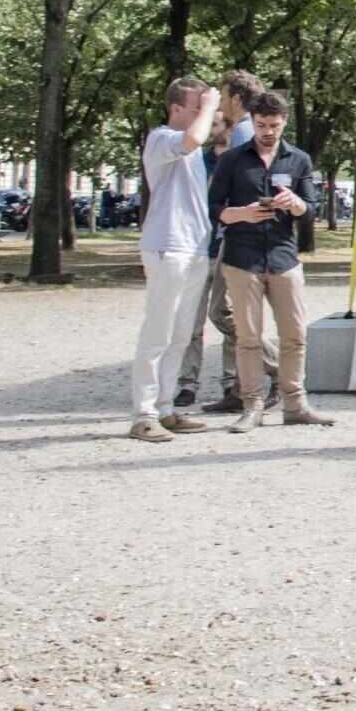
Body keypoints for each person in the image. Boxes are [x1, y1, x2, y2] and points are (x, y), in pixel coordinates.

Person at [209, 93, 334, 431]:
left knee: (295, 335)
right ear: (252, 122)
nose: (267, 132)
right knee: (248, 337)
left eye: (274, 126)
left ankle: (295, 404)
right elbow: (214, 208)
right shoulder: (233, 160)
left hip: (283, 256)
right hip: (242, 257)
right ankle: (252, 406)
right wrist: (243, 214)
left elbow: (310, 209)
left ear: (284, 122)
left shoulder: (299, 160)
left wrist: (295, 204)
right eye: (261, 125)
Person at [126, 78, 219, 442]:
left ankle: (165, 407)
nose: (205, 114)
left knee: (181, 334)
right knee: (158, 332)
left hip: (193, 247)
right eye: (198, 107)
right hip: (168, 245)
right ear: (176, 109)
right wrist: (209, 108)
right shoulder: (162, 138)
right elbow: (194, 138)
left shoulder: (190, 147)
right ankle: (143, 413)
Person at [182, 71, 278, 413]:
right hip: (243, 234)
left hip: (238, 235)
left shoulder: (242, 132)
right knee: (234, 311)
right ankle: (241, 386)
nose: (220, 104)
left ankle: (276, 367)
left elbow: (243, 186)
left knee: (224, 312)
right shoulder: (249, 131)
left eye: (223, 97)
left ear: (236, 98)